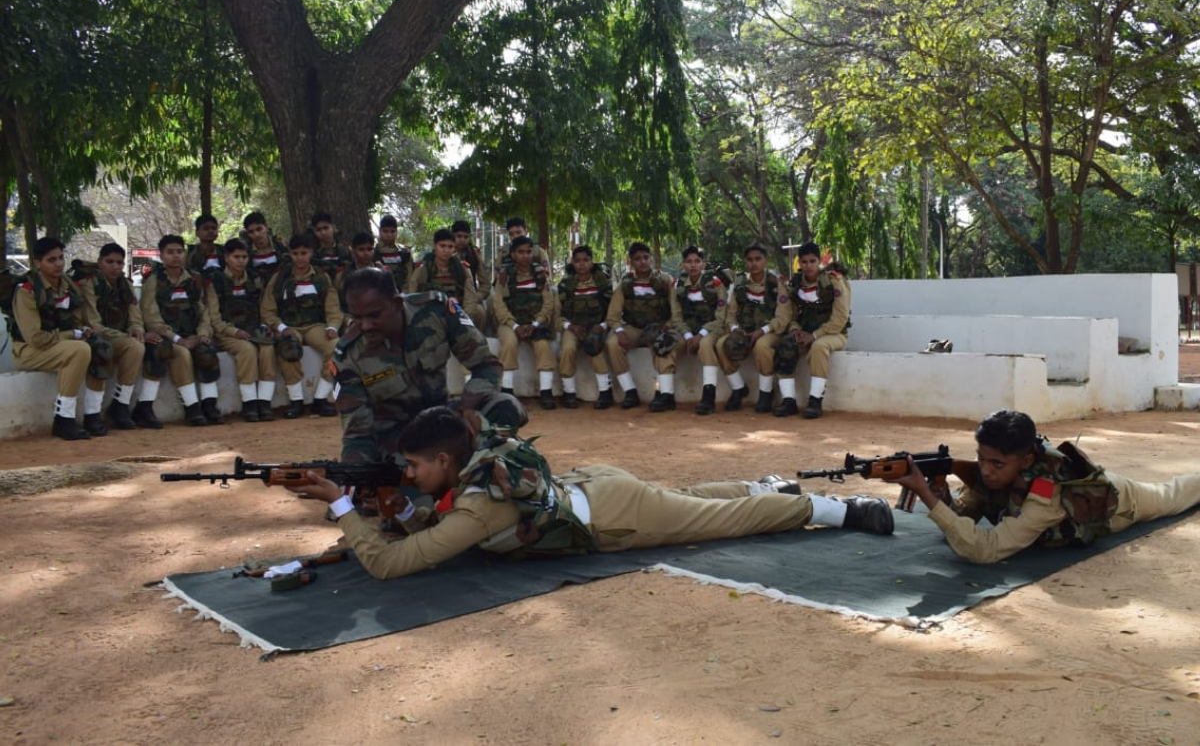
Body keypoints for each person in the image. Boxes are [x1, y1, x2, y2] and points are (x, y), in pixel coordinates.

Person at [284, 406, 895, 580]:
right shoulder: (476, 462)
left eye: (415, 467)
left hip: (615, 515)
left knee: (721, 520)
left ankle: (838, 509)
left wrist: (340, 505)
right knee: (689, 498)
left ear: (445, 461)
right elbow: (424, 520)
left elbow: (393, 565)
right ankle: (762, 484)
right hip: (594, 486)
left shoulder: (478, 504)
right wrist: (394, 509)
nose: (410, 476)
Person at [890, 409, 1200, 565]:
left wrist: (927, 497)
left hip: (1118, 502)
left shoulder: (1045, 492)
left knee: (1170, 496)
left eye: (997, 463)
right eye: (980, 458)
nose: (985, 470)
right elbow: (966, 516)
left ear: (1026, 460)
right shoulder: (997, 471)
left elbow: (987, 548)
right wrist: (944, 500)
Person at [332, 268, 525, 463]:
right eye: (357, 318)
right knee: (416, 465)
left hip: (443, 416)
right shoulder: (347, 356)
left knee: (505, 405)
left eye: (374, 315)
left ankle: (485, 466)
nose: (365, 326)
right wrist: (354, 475)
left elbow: (486, 365)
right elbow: (358, 435)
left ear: (397, 303)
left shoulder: (435, 312)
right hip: (397, 437)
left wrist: (466, 409)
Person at [8, 237, 112, 439]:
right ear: (37, 263)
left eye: (61, 258)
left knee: (100, 347)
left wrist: (83, 330)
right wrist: (73, 334)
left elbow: (75, 320)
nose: (58, 264)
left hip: (57, 345)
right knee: (79, 349)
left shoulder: (68, 286)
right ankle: (64, 419)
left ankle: (92, 416)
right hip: (29, 351)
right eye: (51, 260)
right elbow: (35, 338)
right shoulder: (27, 291)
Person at [140, 234, 224, 426]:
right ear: (161, 255)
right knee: (182, 354)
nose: (175, 256)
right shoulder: (154, 280)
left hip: (192, 334)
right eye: (170, 252)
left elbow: (203, 311)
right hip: (167, 336)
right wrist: (177, 339)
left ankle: (209, 405)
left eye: (179, 252)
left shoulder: (194, 279)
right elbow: (151, 317)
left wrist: (203, 334)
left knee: (206, 351)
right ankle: (192, 408)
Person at [260, 232, 342, 419]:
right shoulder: (280, 278)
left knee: (337, 347)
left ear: (311, 253)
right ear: (290, 253)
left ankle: (321, 398)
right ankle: (296, 401)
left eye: (304, 253)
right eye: (295, 253)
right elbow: (268, 310)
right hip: (289, 327)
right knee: (288, 346)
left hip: (315, 326)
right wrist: (282, 328)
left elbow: (333, 307)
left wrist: (332, 327)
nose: (299, 258)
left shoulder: (321, 277)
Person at [77, 243, 152, 430]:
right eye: (109, 262)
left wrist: (136, 328)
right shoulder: (89, 284)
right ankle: (92, 415)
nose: (115, 266)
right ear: (99, 262)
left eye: (119, 263)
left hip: (118, 337)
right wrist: (125, 335)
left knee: (137, 347)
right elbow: (93, 323)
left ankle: (120, 406)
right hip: (93, 335)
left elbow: (135, 315)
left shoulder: (126, 285)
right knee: (102, 351)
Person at [204, 238, 278, 422]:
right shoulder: (216, 281)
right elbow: (214, 318)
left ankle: (264, 402)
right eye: (236, 257)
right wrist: (233, 332)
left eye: (244, 257)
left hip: (253, 329)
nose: (241, 261)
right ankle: (249, 403)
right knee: (247, 350)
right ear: (226, 258)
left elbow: (263, 306)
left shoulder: (254, 278)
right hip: (226, 332)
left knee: (268, 349)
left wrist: (265, 326)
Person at [774, 242, 850, 419]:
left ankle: (815, 401)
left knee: (819, 347)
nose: (808, 266)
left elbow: (840, 318)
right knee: (785, 345)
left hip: (834, 334)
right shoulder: (796, 284)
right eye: (804, 262)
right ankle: (789, 401)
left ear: (819, 261)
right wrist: (795, 330)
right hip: (806, 333)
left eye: (812, 261)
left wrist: (815, 335)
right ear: (799, 262)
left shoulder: (833, 281)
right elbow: (792, 315)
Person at [605, 241, 682, 411]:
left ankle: (664, 393)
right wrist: (619, 331)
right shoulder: (626, 284)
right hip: (635, 328)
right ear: (631, 261)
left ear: (651, 259)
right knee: (612, 344)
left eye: (646, 257)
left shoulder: (665, 280)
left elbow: (675, 310)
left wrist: (667, 326)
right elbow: (613, 314)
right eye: (637, 258)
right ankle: (630, 392)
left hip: (660, 327)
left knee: (663, 345)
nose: (642, 262)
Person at [716, 243, 790, 413]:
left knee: (762, 346)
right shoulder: (740, 283)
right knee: (721, 344)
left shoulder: (776, 283)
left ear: (765, 260)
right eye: (750, 260)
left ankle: (766, 393)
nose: (754, 263)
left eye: (758, 259)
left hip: (771, 331)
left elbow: (783, 317)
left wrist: (762, 331)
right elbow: (731, 313)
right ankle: (738, 387)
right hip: (744, 331)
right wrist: (735, 329)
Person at [492, 236, 556, 407]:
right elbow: (498, 303)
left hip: (534, 322)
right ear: (513, 255)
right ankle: (507, 392)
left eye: (528, 252)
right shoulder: (505, 275)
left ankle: (546, 392)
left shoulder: (540, 274)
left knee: (543, 345)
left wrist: (536, 324)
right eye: (520, 252)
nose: (525, 256)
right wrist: (515, 326)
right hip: (509, 323)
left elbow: (548, 302)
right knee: (509, 343)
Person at [673, 246, 730, 416]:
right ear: (683, 265)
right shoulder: (677, 286)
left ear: (703, 264)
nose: (693, 265)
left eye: (697, 261)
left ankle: (708, 396)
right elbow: (676, 317)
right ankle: (665, 394)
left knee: (705, 344)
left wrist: (700, 335)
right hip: (687, 331)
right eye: (689, 261)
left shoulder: (716, 284)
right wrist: (688, 336)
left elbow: (720, 317)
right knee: (665, 343)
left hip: (712, 329)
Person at [555, 244, 614, 409]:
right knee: (567, 349)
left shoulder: (602, 282)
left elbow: (613, 309)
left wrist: (602, 326)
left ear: (591, 262)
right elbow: (558, 313)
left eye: (586, 260)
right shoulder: (565, 284)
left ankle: (605, 392)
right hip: (573, 327)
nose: (582, 264)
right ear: (572, 263)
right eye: (578, 261)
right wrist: (570, 326)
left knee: (595, 347)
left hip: (597, 326)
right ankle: (569, 392)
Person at [408, 228, 484, 329]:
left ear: (454, 248)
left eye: (450, 247)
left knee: (479, 312)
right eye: (442, 246)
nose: (446, 250)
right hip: (430, 313)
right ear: (434, 246)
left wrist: (465, 318)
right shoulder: (423, 268)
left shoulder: (462, 269)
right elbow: (413, 294)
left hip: (457, 311)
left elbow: (469, 297)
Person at [337, 232, 382, 325]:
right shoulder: (343, 275)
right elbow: (337, 305)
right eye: (361, 249)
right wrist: (348, 321)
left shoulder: (382, 273)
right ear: (354, 251)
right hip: (352, 319)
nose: (366, 253)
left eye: (369, 249)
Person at [451, 219, 492, 317]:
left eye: (466, 237)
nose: (462, 240)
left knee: (480, 312)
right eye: (459, 236)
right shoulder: (445, 252)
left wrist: (477, 297)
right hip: (449, 296)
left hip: (470, 298)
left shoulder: (474, 254)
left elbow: (485, 283)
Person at [242, 211, 289, 285]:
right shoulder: (246, 253)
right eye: (251, 232)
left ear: (266, 227)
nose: (256, 234)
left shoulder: (281, 246)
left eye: (259, 229)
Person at [373, 215, 413, 294]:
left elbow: (410, 278)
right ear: (380, 231)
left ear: (397, 231)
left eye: (392, 231)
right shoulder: (373, 252)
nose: (389, 235)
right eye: (385, 231)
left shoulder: (405, 253)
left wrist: (405, 292)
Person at [310, 211, 351, 282]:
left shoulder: (346, 250)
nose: (323, 233)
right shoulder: (311, 253)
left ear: (333, 227)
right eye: (318, 230)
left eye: (326, 228)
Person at [186, 214, 225, 279]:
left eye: (214, 228)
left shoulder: (224, 251)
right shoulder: (189, 254)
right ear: (197, 232)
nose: (211, 231)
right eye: (206, 228)